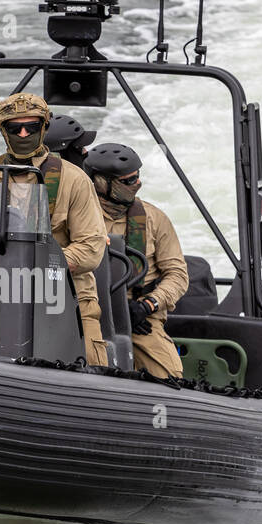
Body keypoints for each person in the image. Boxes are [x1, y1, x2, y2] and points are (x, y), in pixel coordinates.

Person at [0, 93, 109, 365]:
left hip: (66, 299)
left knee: (91, 365)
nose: (23, 133)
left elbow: (92, 248)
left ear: (43, 128)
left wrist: (37, 265)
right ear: (4, 131)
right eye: (14, 128)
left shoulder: (73, 179)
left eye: (31, 127)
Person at [84, 143, 189, 379]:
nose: (137, 185)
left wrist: (147, 305)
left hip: (139, 315)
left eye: (137, 178)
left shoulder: (154, 219)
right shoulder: (77, 217)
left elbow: (178, 275)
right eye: (128, 181)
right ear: (101, 182)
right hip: (85, 310)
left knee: (169, 376)